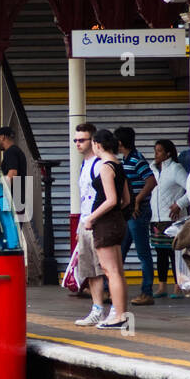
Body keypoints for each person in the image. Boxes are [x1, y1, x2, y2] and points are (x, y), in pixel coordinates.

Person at [79, 129, 131, 330]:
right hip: (117, 221)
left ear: (97, 145)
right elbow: (125, 199)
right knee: (117, 271)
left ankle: (118, 316)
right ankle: (120, 314)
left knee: (111, 272)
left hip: (105, 223)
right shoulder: (118, 165)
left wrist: (91, 218)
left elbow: (111, 200)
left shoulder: (105, 166)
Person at [116, 126, 158, 306]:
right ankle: (110, 289)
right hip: (128, 213)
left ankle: (146, 292)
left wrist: (136, 200)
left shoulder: (136, 159)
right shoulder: (125, 159)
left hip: (138, 213)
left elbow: (151, 181)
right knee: (119, 251)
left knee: (143, 253)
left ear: (120, 142)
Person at [72, 123, 110, 321]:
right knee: (90, 268)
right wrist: (80, 223)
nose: (78, 144)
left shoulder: (100, 164)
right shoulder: (83, 165)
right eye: (75, 140)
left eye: (82, 140)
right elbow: (84, 196)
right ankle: (97, 309)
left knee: (106, 267)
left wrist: (93, 219)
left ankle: (114, 310)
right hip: (85, 221)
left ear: (93, 141)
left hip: (98, 222)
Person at [150, 139, 188, 298]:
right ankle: (162, 287)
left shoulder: (176, 169)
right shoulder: (153, 170)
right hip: (156, 219)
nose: (156, 154)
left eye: (159, 151)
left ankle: (178, 286)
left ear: (168, 153)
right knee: (161, 254)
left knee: (174, 254)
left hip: (172, 219)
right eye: (155, 150)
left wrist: (179, 204)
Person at [0, 125, 29, 217]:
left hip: (12, 202)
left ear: (2, 137)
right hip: (18, 200)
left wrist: (0, 191)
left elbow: (13, 173)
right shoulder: (17, 151)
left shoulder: (10, 152)